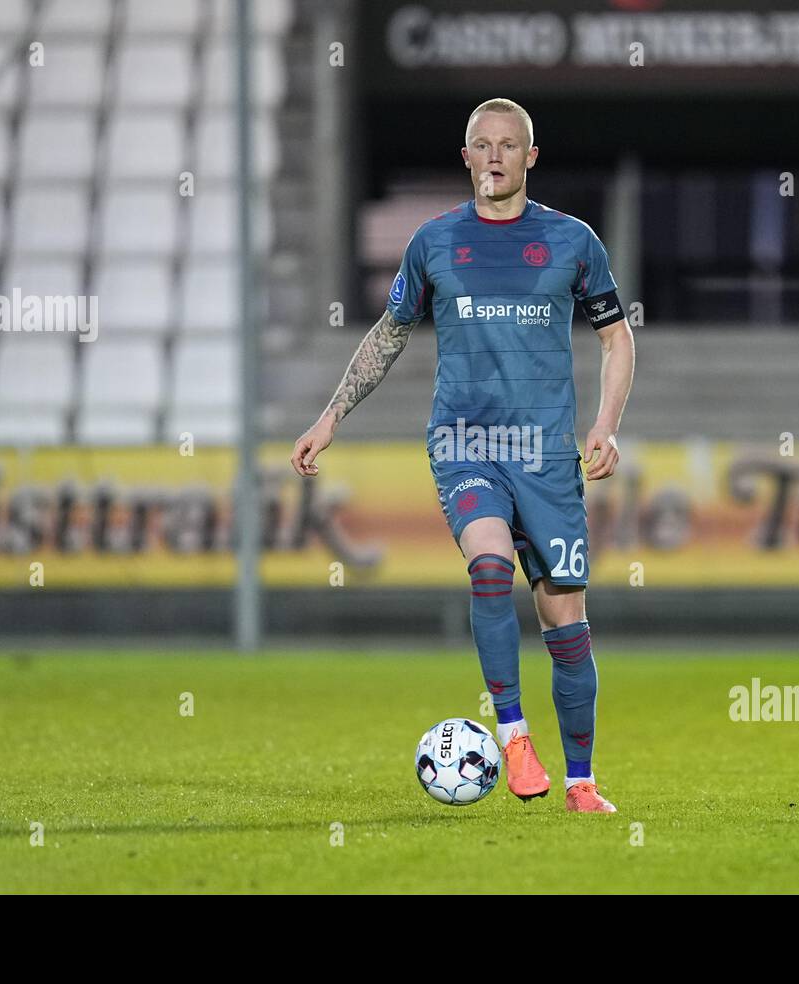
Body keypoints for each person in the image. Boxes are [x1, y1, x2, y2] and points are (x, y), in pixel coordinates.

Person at [291, 98, 635, 813]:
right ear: (467, 157)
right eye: (484, 145)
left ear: (530, 158)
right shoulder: (435, 242)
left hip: (546, 453)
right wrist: (330, 416)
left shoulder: (573, 241)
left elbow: (615, 336)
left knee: (564, 619)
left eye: (511, 145)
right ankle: (512, 735)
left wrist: (605, 423)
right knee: (487, 564)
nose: (497, 156)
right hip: (465, 442)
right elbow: (390, 331)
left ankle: (580, 782)